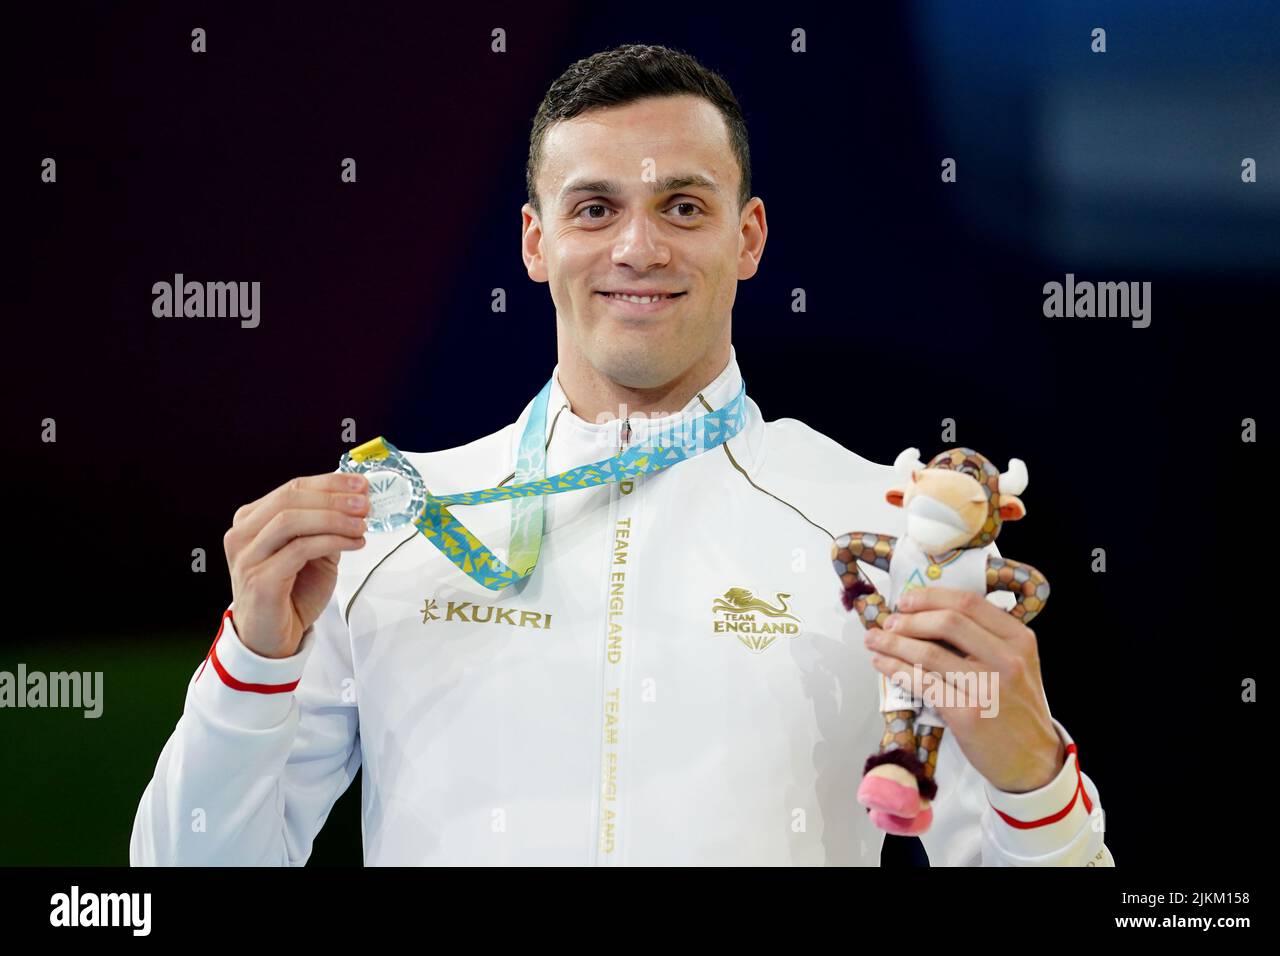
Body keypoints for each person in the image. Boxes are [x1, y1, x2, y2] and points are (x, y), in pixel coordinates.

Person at [130, 43, 1114, 866]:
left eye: (683, 206)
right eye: (594, 208)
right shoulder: (386, 526)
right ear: (534, 241)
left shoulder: (895, 530)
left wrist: (1031, 766)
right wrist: (252, 662)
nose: (637, 248)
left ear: (748, 237)